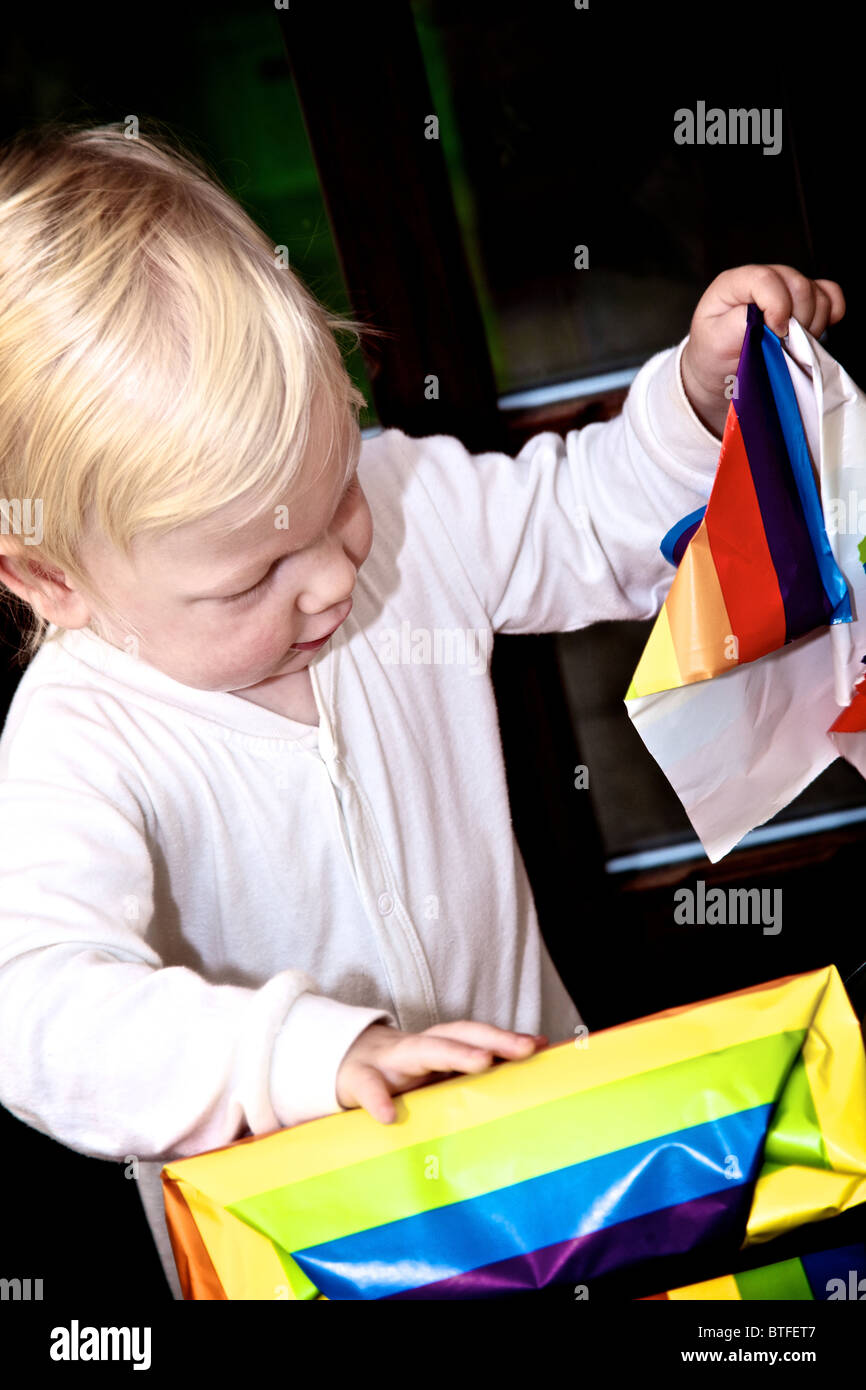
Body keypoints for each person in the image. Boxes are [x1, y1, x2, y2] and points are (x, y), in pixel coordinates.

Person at [0, 121, 845, 1301]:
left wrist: (701, 416)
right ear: (53, 579)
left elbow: (588, 521)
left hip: (556, 1167)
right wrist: (305, 1054)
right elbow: (35, 1014)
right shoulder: (82, 740)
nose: (336, 576)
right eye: (250, 578)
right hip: (311, 1254)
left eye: (336, 488)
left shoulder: (403, 511)